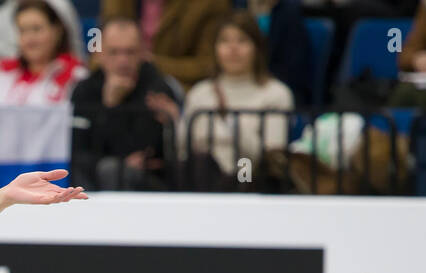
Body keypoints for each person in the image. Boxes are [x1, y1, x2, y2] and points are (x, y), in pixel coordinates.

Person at [179, 11, 294, 186]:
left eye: (242, 40)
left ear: (257, 47)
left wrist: (232, 125)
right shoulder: (200, 93)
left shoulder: (276, 93)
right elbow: (183, 150)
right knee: (199, 163)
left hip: (248, 173)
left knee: (244, 166)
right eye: (225, 41)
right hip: (204, 173)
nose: (233, 48)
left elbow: (272, 157)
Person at [70, 15, 185, 188]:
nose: (122, 61)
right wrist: (109, 106)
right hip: (93, 182)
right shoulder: (84, 90)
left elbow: (150, 151)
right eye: (114, 52)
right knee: (104, 169)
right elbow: (79, 150)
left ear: (143, 52)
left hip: (147, 183)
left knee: (115, 170)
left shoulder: (158, 87)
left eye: (130, 52)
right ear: (99, 53)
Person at [99, 0, 233, 91]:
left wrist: (151, 63)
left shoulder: (209, 4)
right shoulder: (116, 3)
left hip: (177, 88)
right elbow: (99, 47)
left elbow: (208, 64)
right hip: (118, 81)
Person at [0, 0, 91, 104]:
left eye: (36, 29)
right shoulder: (3, 76)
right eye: (23, 31)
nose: (29, 39)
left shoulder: (77, 78)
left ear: (57, 31)